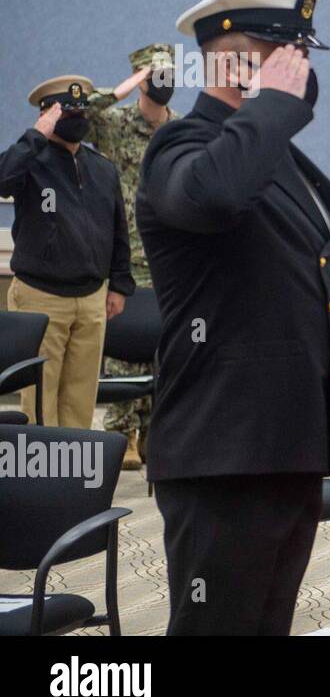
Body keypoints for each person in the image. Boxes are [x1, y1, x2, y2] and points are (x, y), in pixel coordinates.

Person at [138, 0, 330, 635]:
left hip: (285, 446)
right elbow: (214, 196)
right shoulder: (180, 148)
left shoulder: (272, 153)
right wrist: (270, 108)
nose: (301, 70)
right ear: (235, 59)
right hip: (221, 455)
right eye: (284, 53)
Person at [1, 76, 134, 427]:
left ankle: (73, 479)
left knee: (80, 399)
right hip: (41, 298)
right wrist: (35, 137)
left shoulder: (102, 169)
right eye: (67, 110)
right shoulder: (31, 160)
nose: (78, 117)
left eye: (82, 109)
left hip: (92, 299)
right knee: (40, 401)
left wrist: (119, 284)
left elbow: (118, 229)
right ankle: (39, 478)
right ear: (47, 115)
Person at [86, 44, 177, 468]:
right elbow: (76, 115)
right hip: (122, 258)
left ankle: (155, 432)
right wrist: (122, 89)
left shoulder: (179, 131)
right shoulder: (115, 124)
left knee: (166, 348)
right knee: (123, 350)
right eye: (153, 74)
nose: (162, 80)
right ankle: (122, 433)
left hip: (169, 260)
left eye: (167, 73)